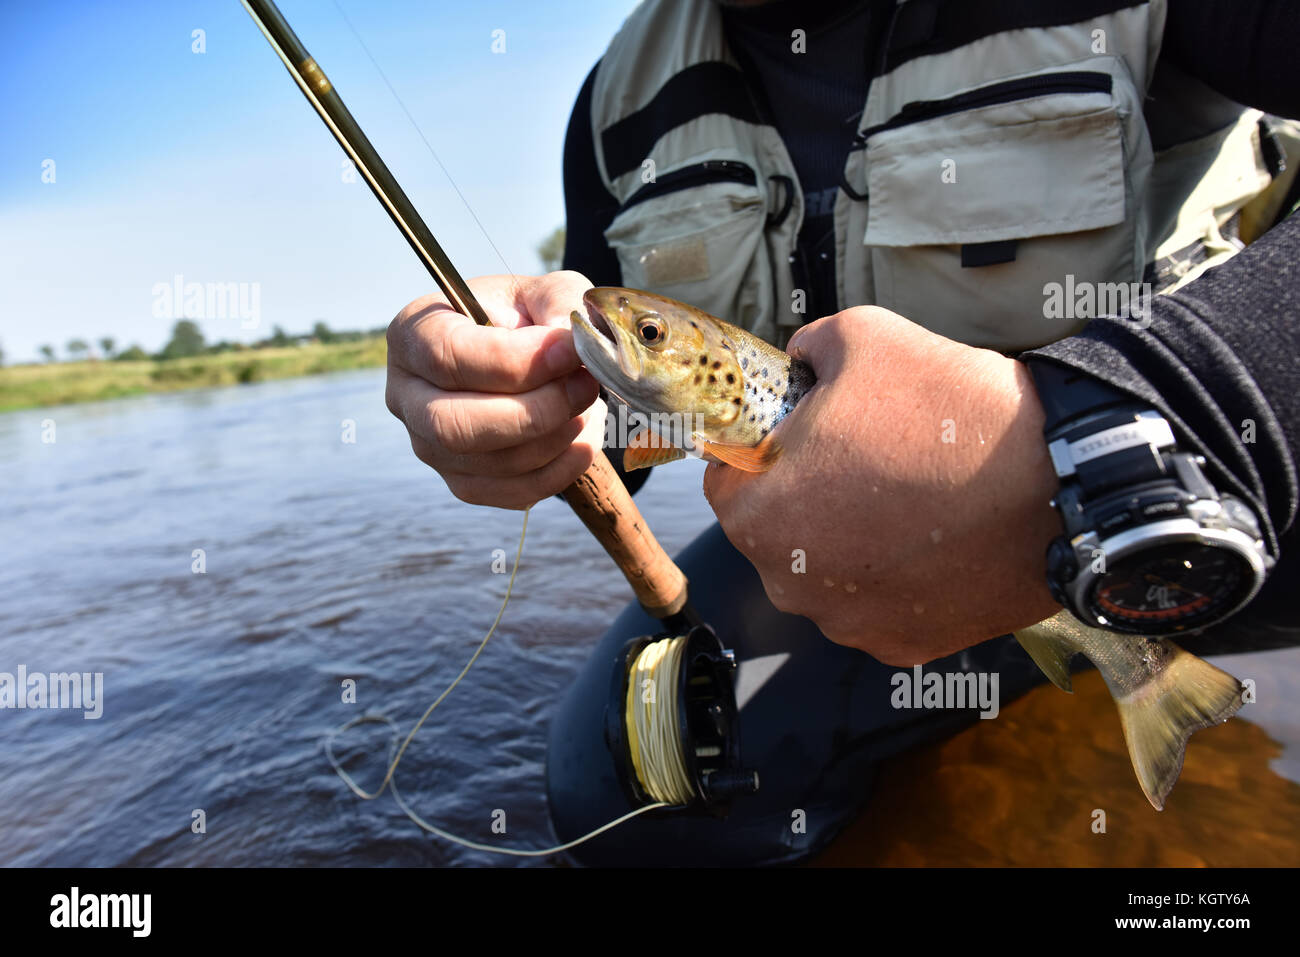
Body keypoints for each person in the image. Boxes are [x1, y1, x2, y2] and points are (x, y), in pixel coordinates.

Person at [386, 0, 1300, 666]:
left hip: (1227, 495)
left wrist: (1110, 428)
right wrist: (533, 402)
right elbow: (629, 424)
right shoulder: (614, 105)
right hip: (852, 569)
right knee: (625, 763)